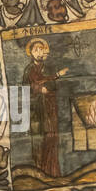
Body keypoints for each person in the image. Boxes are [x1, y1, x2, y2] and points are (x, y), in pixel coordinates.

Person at [24, 37, 66, 177]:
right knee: (37, 140)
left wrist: (46, 86)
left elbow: (54, 86)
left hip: (49, 109)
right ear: (31, 52)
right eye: (36, 49)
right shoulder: (28, 70)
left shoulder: (49, 68)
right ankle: (38, 172)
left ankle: (52, 172)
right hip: (35, 111)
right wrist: (37, 89)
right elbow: (24, 89)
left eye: (42, 49)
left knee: (51, 138)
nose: (40, 52)